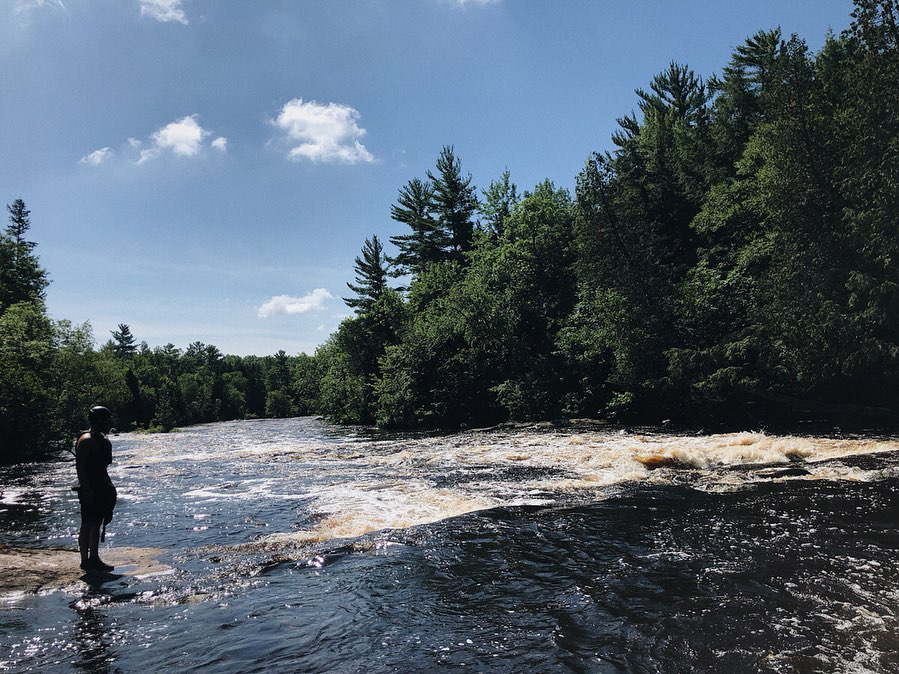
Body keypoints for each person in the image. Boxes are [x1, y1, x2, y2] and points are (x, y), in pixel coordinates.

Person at [74, 406, 117, 572]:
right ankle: (85, 560)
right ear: (99, 420)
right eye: (106, 420)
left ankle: (94, 558)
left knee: (97, 522)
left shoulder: (102, 440)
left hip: (101, 485)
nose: (108, 423)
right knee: (87, 523)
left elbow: (103, 468)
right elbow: (81, 468)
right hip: (89, 487)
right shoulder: (86, 440)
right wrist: (87, 490)